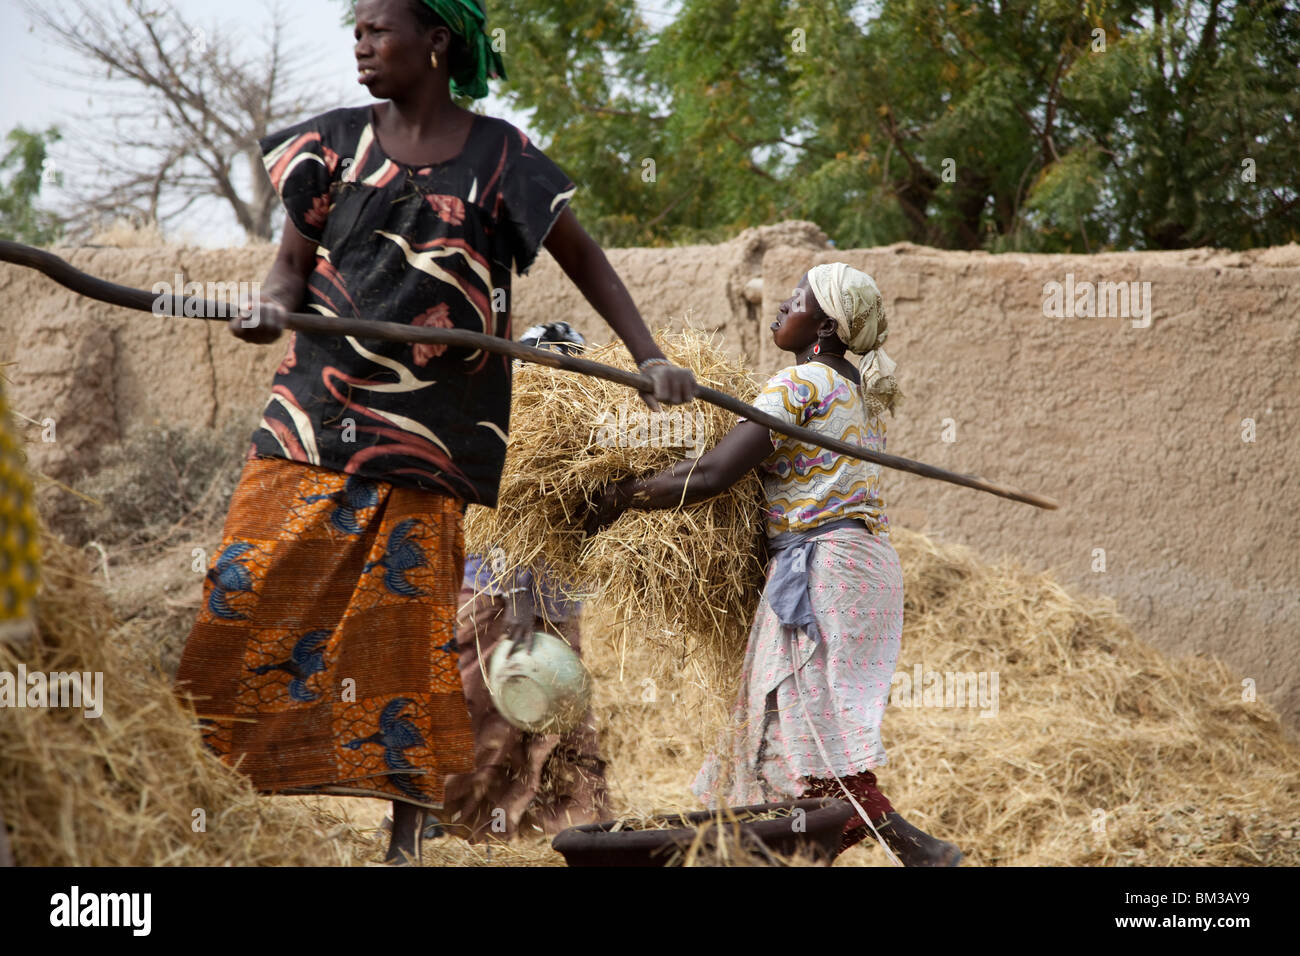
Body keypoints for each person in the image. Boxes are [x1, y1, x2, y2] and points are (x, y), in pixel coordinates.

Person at [173, 0, 693, 865]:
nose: (361, 42)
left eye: (379, 28)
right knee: (245, 597)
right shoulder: (332, 145)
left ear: (437, 42)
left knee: (403, 636)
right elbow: (290, 267)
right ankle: (193, 784)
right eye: (359, 30)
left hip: (432, 438)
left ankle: (404, 840)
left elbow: (586, 257)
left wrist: (651, 358)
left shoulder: (502, 160)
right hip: (313, 419)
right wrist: (271, 307)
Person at [584, 263, 962, 866]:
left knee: (811, 729)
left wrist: (615, 497)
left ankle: (921, 852)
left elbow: (711, 473)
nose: (782, 306)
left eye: (798, 299)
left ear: (829, 324)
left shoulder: (801, 385)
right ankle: (853, 849)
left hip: (825, 570)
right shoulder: (853, 392)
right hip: (862, 566)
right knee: (804, 729)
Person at [441, 322, 609, 842]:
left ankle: (567, 833)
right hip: (497, 601)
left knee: (561, 723)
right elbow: (505, 521)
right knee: (484, 720)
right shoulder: (501, 423)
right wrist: (517, 599)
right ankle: (443, 823)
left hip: (556, 605)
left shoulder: (579, 433)